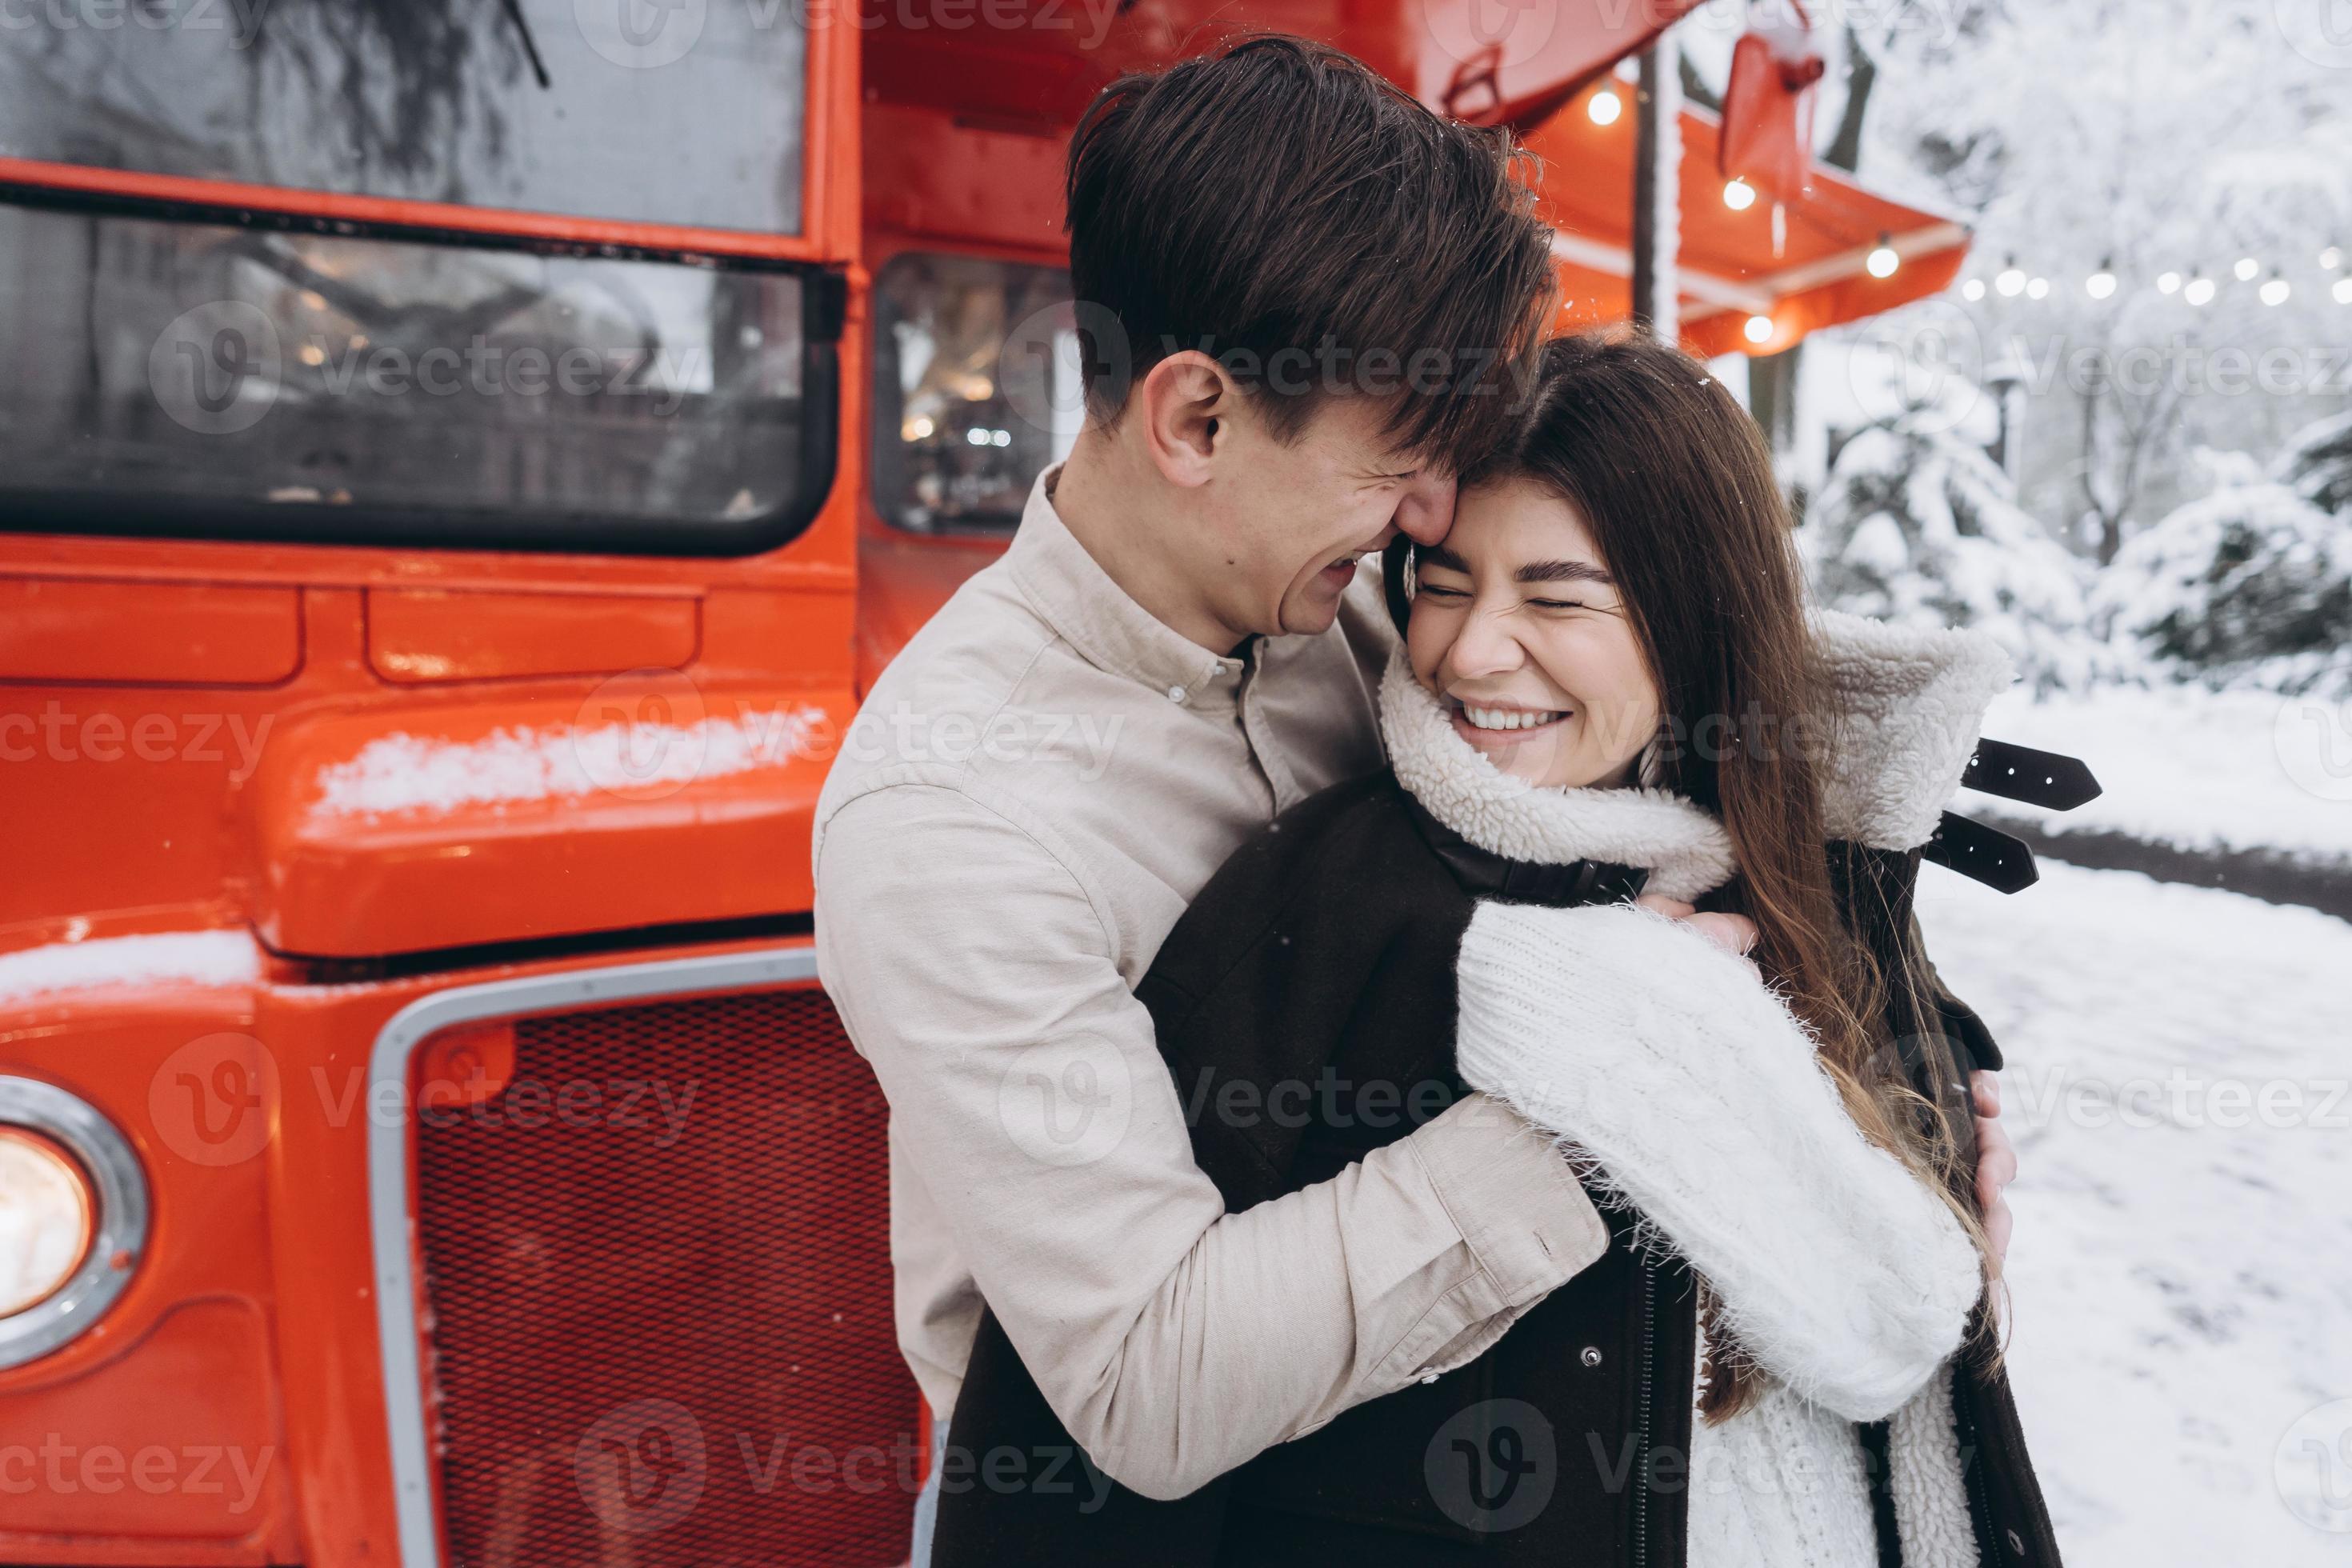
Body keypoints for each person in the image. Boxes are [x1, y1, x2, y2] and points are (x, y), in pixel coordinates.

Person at [812, 34, 2022, 1565]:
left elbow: (1625, 668)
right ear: (1197, 421)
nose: (1435, 523)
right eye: (1404, 468)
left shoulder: (1358, 619)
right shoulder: (953, 820)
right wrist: (1616, 1115)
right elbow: (1145, 1383)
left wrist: (1864, 1093)